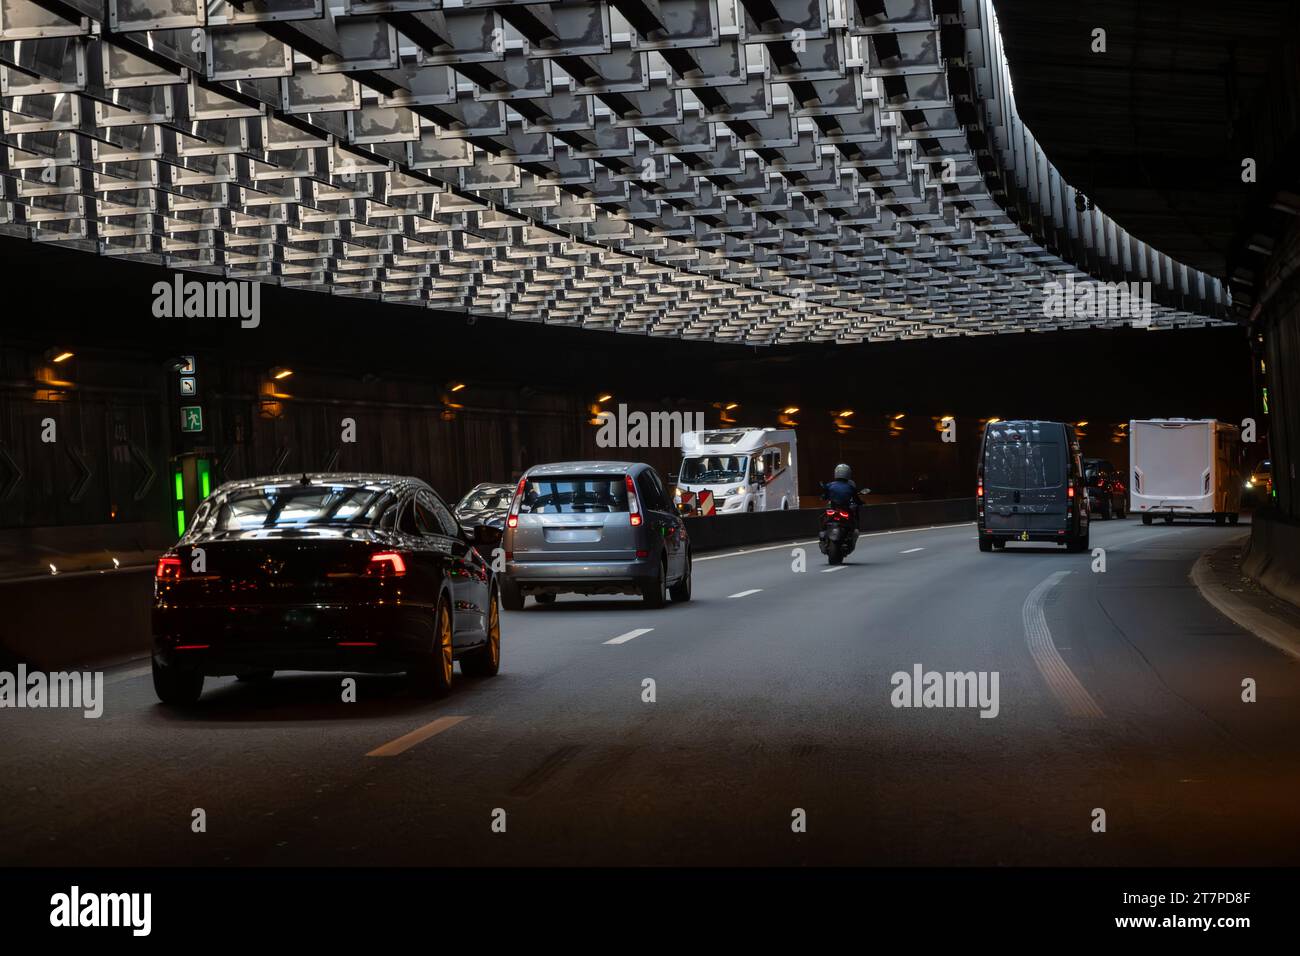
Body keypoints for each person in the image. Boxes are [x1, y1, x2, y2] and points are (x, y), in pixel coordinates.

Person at [821, 463, 862, 528]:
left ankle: (823, 529)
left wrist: (824, 497)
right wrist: (860, 502)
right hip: (845, 508)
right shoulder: (850, 486)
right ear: (848, 473)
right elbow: (856, 499)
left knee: (822, 516)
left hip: (833, 507)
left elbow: (824, 496)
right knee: (853, 516)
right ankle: (856, 527)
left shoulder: (829, 485)